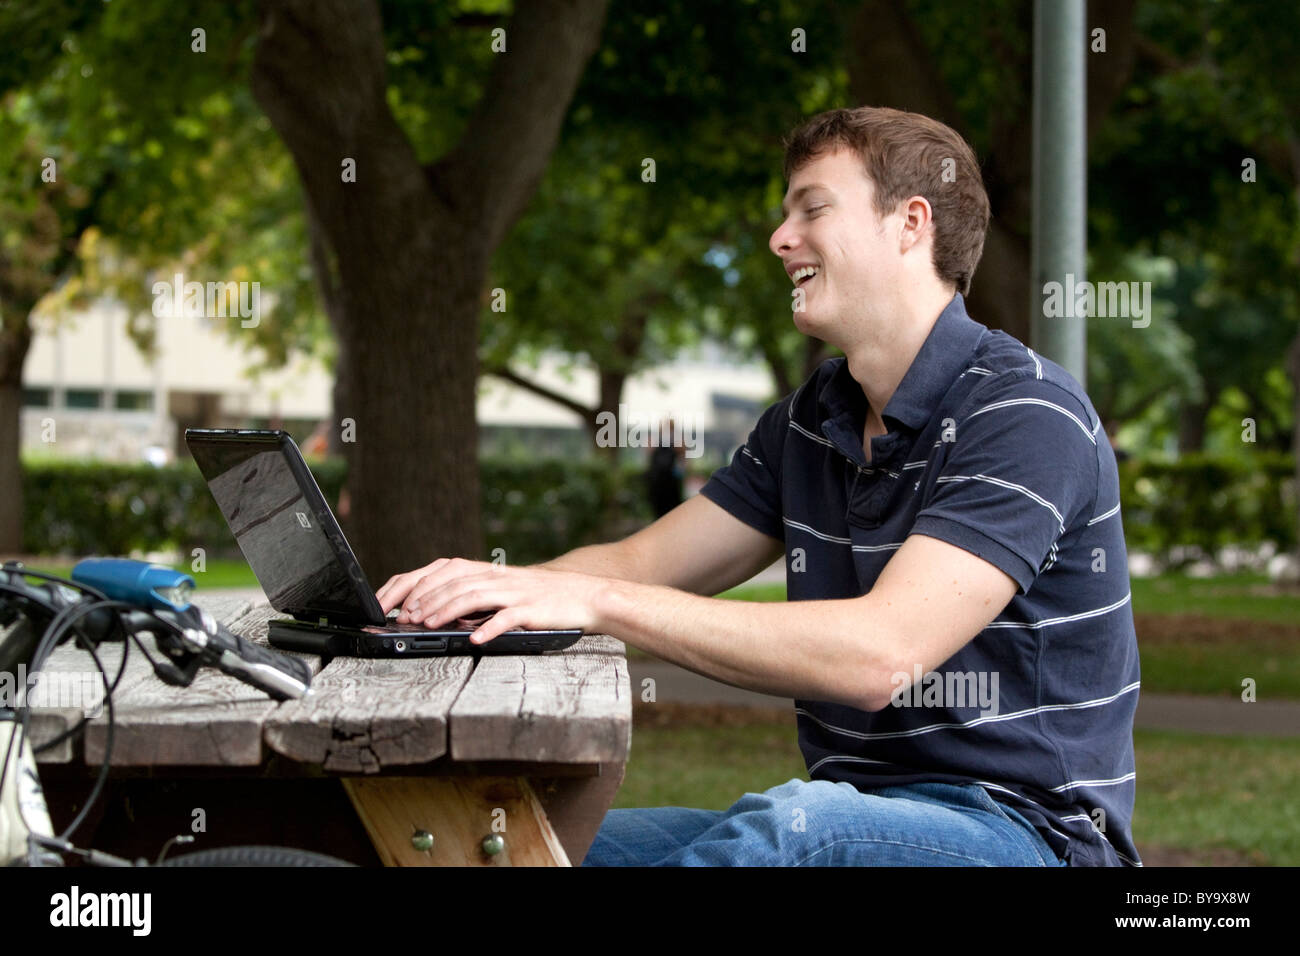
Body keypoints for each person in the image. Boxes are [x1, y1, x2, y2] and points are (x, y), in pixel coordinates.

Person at [375, 106, 1141, 868]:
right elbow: (641, 565)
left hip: (1029, 836)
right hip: (858, 816)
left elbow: (881, 655)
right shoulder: (810, 421)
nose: (780, 239)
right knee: (506, 850)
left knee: (792, 833)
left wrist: (598, 605)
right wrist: (472, 595)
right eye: (784, 215)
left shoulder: (1025, 413)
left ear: (910, 224)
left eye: (812, 209)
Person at [645, 419, 686, 518]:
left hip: (670, 481)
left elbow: (683, 456)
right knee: (659, 508)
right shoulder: (655, 439)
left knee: (670, 508)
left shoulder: (677, 440)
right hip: (658, 481)